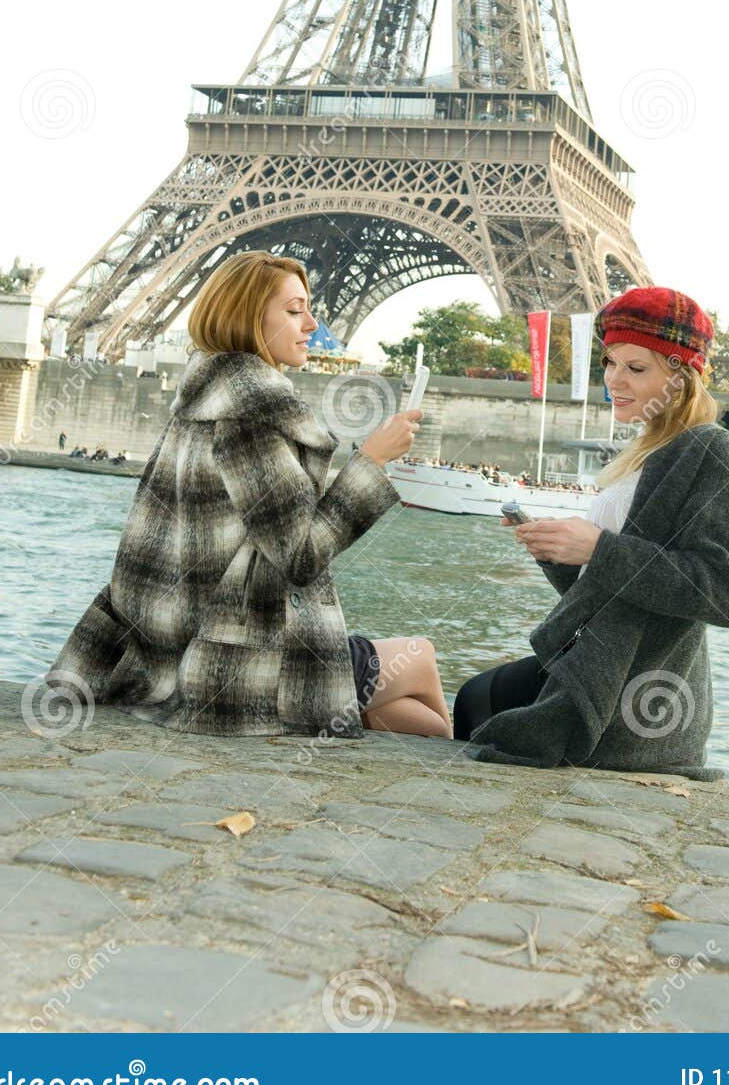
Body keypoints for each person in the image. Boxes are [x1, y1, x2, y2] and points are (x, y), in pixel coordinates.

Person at [45, 250, 451, 739]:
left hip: (180, 651)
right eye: (294, 309)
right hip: (242, 665)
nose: (312, 324)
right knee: (421, 657)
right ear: (248, 317)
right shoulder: (252, 415)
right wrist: (373, 462)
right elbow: (301, 555)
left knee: (421, 723)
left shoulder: (203, 400)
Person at [452, 286, 729, 780]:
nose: (615, 379)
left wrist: (596, 546)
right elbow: (612, 592)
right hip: (604, 672)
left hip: (633, 694)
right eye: (611, 363)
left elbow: (726, 593)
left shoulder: (708, 450)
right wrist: (560, 554)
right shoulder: (646, 451)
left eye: (636, 368)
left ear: (681, 378)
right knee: (474, 701)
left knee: (481, 713)